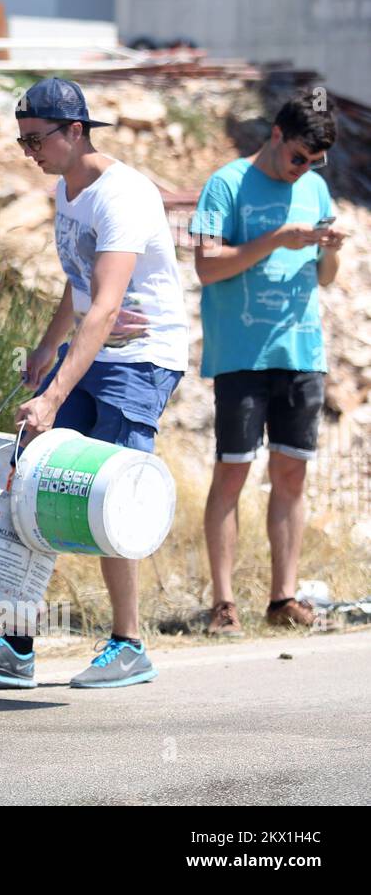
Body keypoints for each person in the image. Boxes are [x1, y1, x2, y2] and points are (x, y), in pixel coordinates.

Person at [0, 77, 188, 690]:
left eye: (37, 140)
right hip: (93, 352)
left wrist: (52, 394)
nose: (30, 153)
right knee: (30, 473)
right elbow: (78, 284)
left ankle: (129, 645)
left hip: (142, 357)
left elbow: (103, 308)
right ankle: (15, 643)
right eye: (22, 142)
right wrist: (48, 349)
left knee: (113, 488)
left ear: (77, 131)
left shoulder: (121, 196)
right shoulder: (66, 190)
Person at [191, 94, 344, 636]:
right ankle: (223, 603)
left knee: (291, 475)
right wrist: (277, 239)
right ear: (276, 135)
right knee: (232, 472)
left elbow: (325, 279)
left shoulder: (316, 188)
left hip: (302, 353)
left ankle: (283, 597)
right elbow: (207, 266)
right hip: (241, 354)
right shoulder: (225, 185)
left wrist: (328, 250)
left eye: (315, 162)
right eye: (300, 156)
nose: (305, 169)